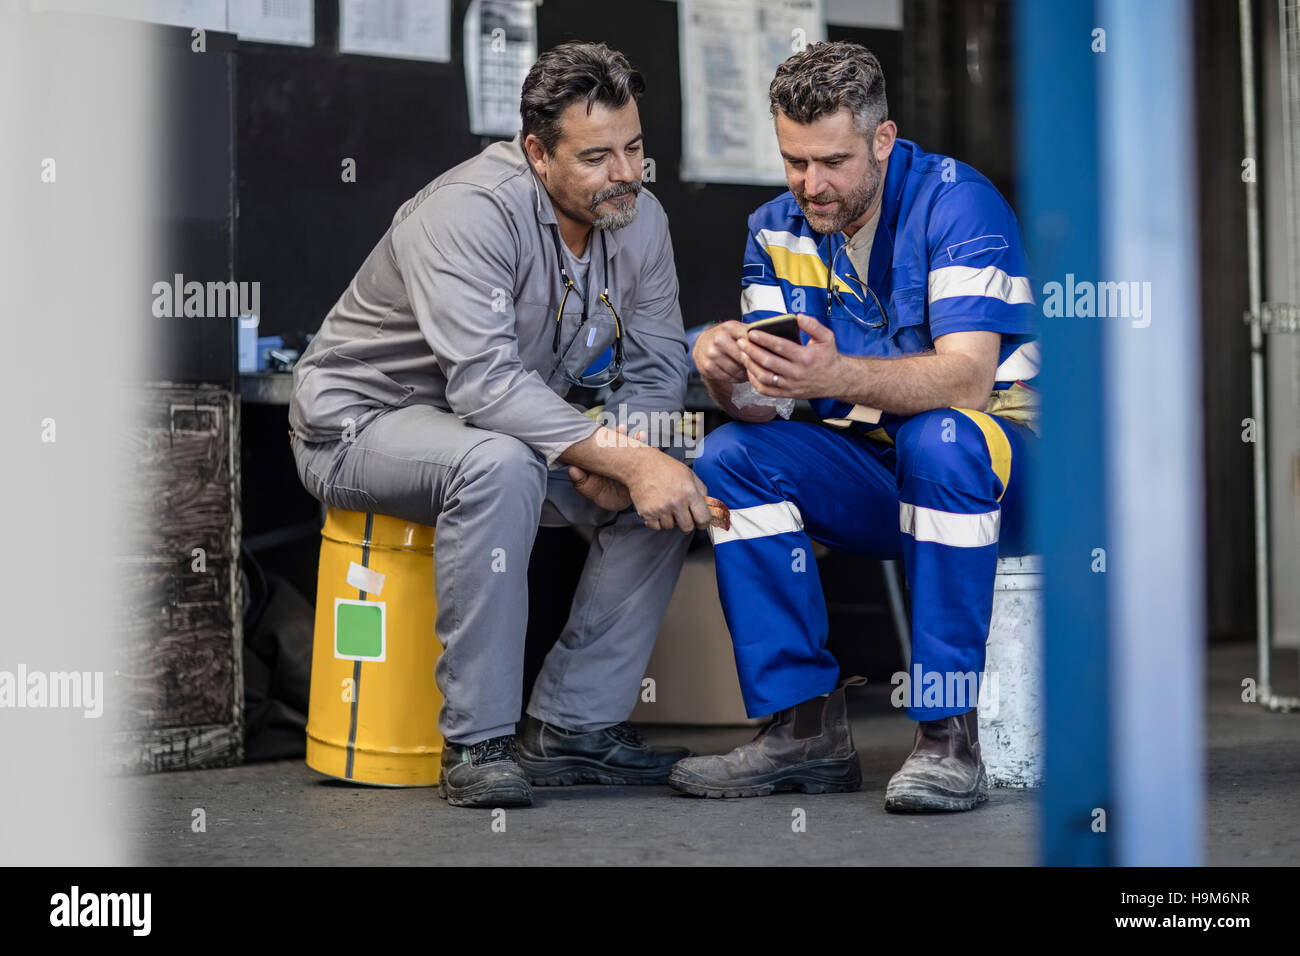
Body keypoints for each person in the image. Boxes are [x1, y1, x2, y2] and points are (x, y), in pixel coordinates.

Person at [288, 41, 714, 809]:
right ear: (536, 153)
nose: (625, 173)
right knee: (500, 466)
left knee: (675, 482)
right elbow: (484, 384)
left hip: (506, 430)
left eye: (634, 147)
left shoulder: (637, 218)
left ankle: (573, 727)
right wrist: (615, 452)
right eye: (596, 156)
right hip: (360, 425)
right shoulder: (467, 212)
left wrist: (632, 454)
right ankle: (476, 742)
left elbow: (657, 368)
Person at [672, 40, 1039, 812]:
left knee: (941, 438)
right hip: (882, 474)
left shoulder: (958, 201)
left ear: (882, 139)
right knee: (731, 454)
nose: (812, 184)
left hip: (1008, 474)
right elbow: (767, 405)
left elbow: (968, 380)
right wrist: (721, 370)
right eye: (794, 161)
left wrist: (836, 376)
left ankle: (947, 738)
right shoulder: (775, 230)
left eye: (832, 160)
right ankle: (803, 726)